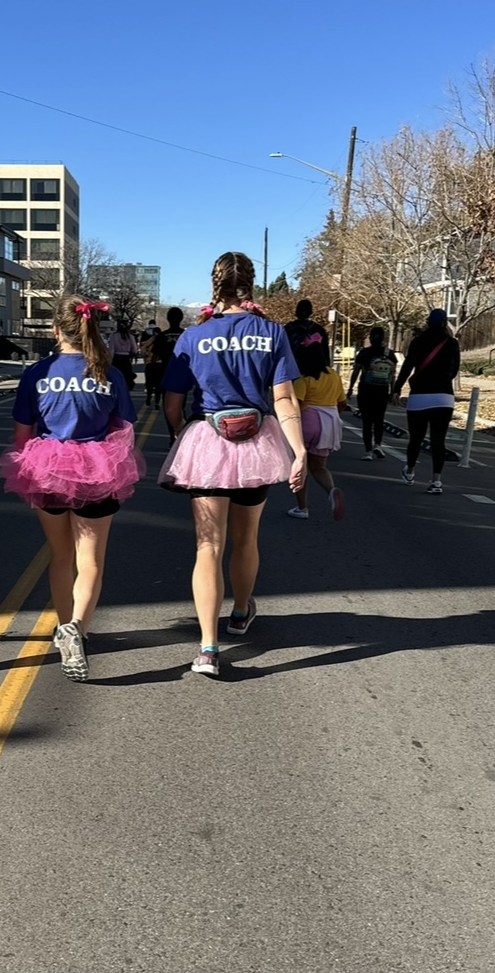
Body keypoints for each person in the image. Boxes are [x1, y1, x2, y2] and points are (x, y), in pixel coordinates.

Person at [159, 251, 307, 677]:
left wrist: (179, 434)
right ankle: (241, 612)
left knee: (208, 546)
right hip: (257, 445)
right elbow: (284, 398)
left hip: (208, 443)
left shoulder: (194, 336)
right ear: (251, 285)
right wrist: (299, 451)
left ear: (214, 284)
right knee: (246, 539)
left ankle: (208, 648)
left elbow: (173, 402)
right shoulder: (272, 332)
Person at [1, 295, 145, 681]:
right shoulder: (108, 373)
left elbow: (21, 436)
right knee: (91, 561)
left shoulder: (37, 373)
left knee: (60, 555)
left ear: (55, 331)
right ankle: (76, 629)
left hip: (47, 468)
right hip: (97, 469)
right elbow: (123, 432)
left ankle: (65, 625)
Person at [393, 308, 461, 494]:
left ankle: (410, 471)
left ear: (428, 322)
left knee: (416, 438)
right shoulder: (452, 343)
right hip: (444, 396)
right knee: (439, 441)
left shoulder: (418, 341)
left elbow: (408, 366)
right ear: (445, 323)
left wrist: (397, 388)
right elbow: (455, 370)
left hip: (420, 395)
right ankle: (436, 481)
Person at [286, 332, 347, 521]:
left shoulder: (303, 378)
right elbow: (342, 402)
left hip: (307, 421)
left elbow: (295, 405)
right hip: (329, 424)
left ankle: (302, 508)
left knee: (301, 465)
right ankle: (332, 491)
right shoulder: (334, 376)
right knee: (319, 467)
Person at [348, 326, 398, 459]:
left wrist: (350, 388)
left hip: (366, 389)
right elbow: (392, 375)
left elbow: (356, 371)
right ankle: (378, 445)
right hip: (382, 390)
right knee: (379, 419)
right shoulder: (389, 354)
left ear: (370, 338)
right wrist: (393, 391)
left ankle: (368, 451)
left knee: (367, 421)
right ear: (383, 339)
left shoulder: (364, 353)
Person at [141, 307, 184, 412]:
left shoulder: (162, 335)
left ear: (168, 319)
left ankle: (171, 420)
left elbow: (155, 353)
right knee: (181, 401)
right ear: (181, 318)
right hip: (182, 371)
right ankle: (181, 418)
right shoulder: (186, 335)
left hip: (165, 370)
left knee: (167, 401)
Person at [284, 298, 331, 368]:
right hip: (313, 370)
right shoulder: (318, 329)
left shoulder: (287, 329)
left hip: (290, 368)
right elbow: (325, 353)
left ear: (296, 312)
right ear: (310, 312)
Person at [108, 319, 138, 390]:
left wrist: (110, 360)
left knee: (116, 374)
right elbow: (134, 349)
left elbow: (111, 349)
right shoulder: (130, 336)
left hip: (116, 358)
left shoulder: (114, 336)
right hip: (126, 358)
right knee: (127, 374)